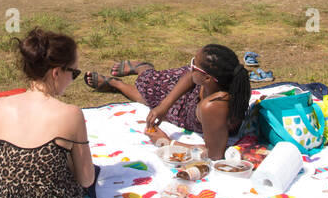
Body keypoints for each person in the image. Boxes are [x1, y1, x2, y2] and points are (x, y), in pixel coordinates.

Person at [0, 28, 95, 198]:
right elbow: (86, 179)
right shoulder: (71, 114)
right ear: (56, 72)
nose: (73, 79)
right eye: (73, 73)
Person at [85, 45, 251, 161]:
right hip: (191, 94)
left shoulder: (214, 106)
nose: (190, 66)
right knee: (149, 86)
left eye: (194, 65)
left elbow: (215, 154)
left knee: (148, 96)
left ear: (207, 78)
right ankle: (142, 68)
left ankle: (118, 84)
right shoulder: (218, 79)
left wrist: (166, 142)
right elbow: (189, 76)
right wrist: (164, 106)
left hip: (190, 112)